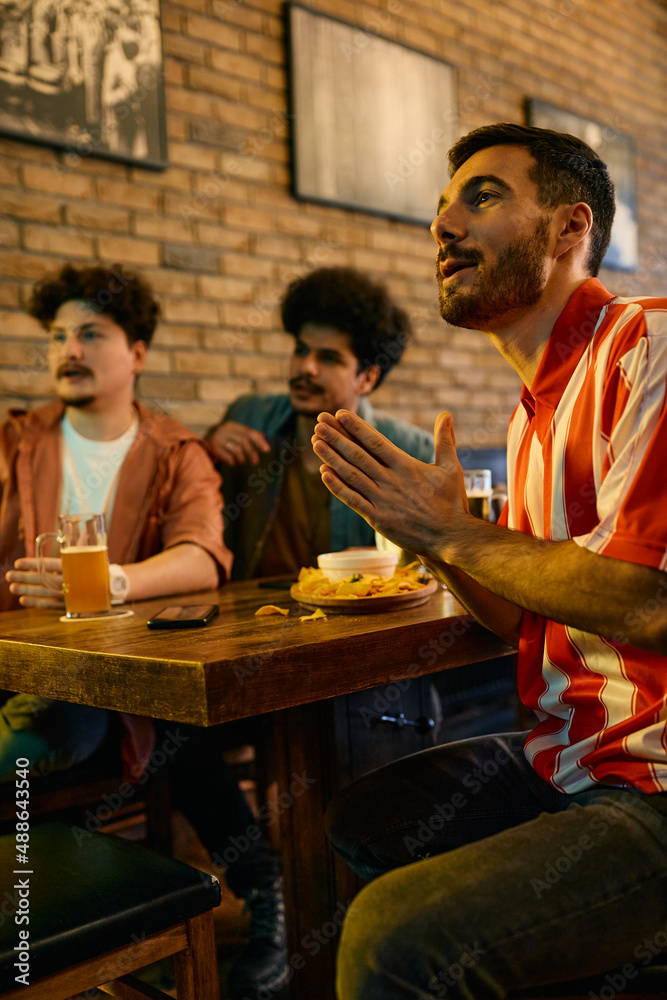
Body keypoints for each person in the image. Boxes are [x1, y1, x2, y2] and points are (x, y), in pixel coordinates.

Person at [310, 123, 667, 998]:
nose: (442, 225)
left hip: (653, 781)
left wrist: (454, 532)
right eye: (439, 207)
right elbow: (515, 615)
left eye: (482, 197)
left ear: (567, 229)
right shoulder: (525, 414)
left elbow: (646, 602)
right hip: (569, 757)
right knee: (363, 820)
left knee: (391, 941)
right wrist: (435, 540)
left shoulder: (645, 343)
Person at [207, 265, 435, 578]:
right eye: (301, 351)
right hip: (255, 615)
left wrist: (383, 559)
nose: (307, 368)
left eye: (328, 358)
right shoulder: (249, 417)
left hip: (358, 620)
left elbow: (437, 560)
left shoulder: (409, 449)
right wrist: (206, 451)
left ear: (366, 378)